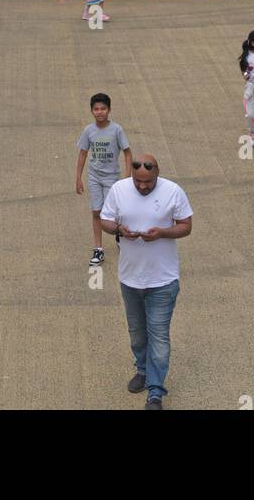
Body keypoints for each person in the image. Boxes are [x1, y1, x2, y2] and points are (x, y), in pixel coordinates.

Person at [100, 155, 193, 411]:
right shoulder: (119, 189)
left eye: (148, 182)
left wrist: (162, 233)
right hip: (130, 279)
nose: (142, 186)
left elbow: (186, 225)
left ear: (157, 174)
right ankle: (142, 370)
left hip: (163, 280)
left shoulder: (173, 191)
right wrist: (119, 230)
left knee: (159, 337)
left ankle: (155, 391)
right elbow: (105, 220)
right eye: (138, 181)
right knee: (138, 335)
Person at [75, 93, 131, 267]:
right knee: (96, 212)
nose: (99, 112)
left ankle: (120, 236)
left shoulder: (116, 130)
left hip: (112, 177)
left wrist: (127, 177)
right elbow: (83, 153)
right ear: (92, 111)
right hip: (94, 177)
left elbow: (127, 152)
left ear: (109, 110)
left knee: (113, 212)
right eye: (96, 109)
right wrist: (78, 177)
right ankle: (98, 248)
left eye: (103, 109)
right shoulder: (88, 131)